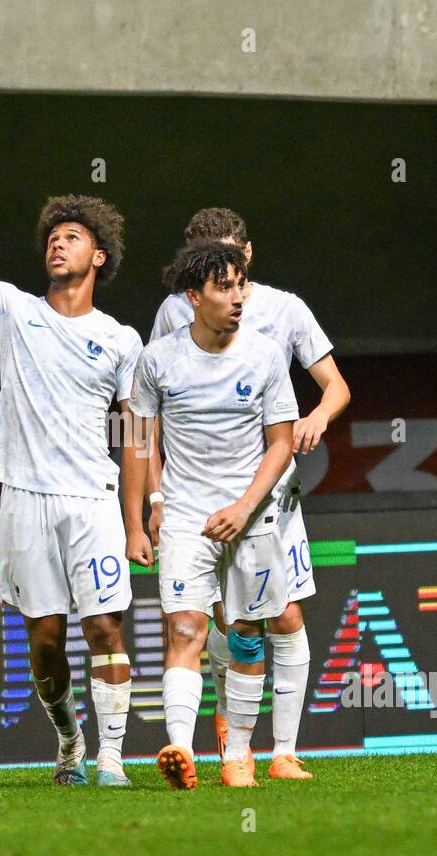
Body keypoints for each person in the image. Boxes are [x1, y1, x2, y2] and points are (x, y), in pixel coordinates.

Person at [0, 118, 144, 786]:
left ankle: (111, 761)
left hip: (94, 501)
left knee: (104, 627)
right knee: (45, 640)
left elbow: (135, 434)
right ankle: (70, 737)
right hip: (24, 499)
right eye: (52, 237)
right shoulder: (15, 312)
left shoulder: (122, 340)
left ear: (97, 256)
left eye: (71, 237)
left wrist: (140, 516)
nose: (57, 245)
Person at [148, 208, 349, 779]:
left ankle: (284, 748)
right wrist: (158, 498)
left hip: (272, 492)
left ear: (249, 252)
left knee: (281, 617)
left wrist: (317, 416)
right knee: (214, 620)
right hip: (199, 498)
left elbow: (336, 386)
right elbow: (153, 412)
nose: (226, 269)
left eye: (232, 253)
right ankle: (231, 739)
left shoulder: (285, 310)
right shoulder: (174, 314)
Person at [128, 241, 298, 789]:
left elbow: (282, 443)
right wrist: (140, 514)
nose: (237, 297)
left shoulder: (265, 355)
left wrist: (245, 506)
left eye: (241, 284)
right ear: (193, 296)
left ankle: (240, 755)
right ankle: (180, 748)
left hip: (252, 518)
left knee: (247, 635)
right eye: (224, 287)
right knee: (185, 627)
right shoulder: (157, 361)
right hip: (185, 517)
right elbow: (135, 439)